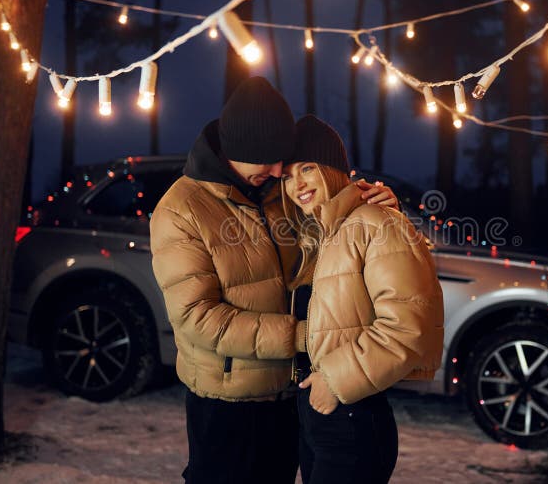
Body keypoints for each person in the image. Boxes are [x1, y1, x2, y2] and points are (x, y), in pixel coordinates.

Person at [150, 77, 397, 484]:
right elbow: (197, 318)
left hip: (291, 396)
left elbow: (334, 242)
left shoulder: (278, 193)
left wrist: (375, 204)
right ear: (239, 150)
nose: (281, 170)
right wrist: (303, 336)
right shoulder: (181, 210)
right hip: (229, 406)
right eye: (269, 159)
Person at [281, 114, 444, 484]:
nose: (297, 184)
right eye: (288, 176)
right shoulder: (323, 234)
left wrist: (334, 381)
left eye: (307, 168)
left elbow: (407, 326)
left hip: (351, 416)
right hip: (319, 417)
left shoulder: (375, 222)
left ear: (334, 168)